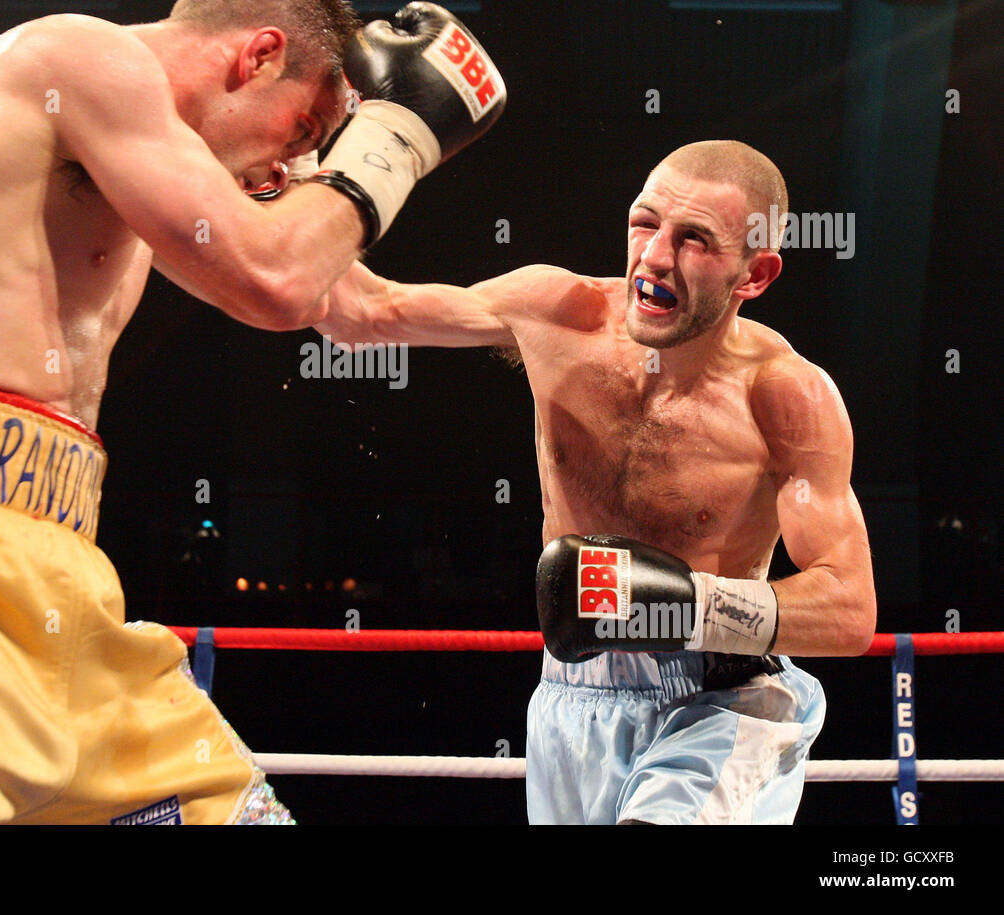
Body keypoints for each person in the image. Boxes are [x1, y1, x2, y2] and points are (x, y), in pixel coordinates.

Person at [0, 0, 505, 824]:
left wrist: (570, 318)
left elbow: (357, 304)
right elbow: (275, 278)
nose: (287, 169)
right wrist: (397, 138)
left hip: (60, 560)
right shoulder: (81, 58)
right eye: (301, 129)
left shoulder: (163, 163)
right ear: (258, 55)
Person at [315, 140, 875, 824]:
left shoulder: (785, 395)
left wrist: (683, 605)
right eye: (646, 222)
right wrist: (330, 170)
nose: (655, 257)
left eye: (695, 240)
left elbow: (849, 611)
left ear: (754, 275)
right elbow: (360, 313)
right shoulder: (556, 314)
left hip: (723, 700)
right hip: (569, 696)